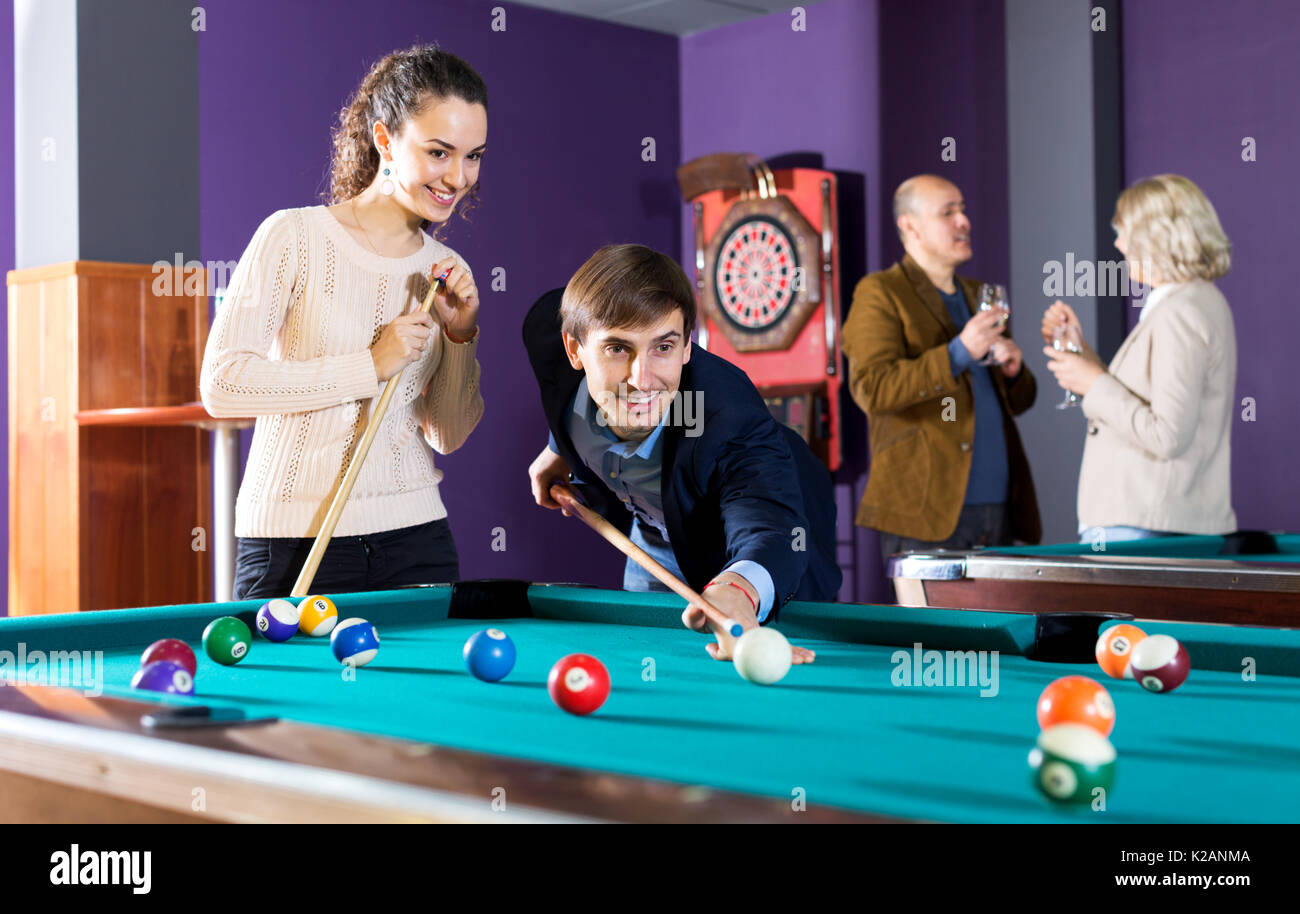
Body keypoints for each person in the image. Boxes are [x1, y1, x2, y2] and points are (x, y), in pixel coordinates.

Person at [200, 45, 487, 600]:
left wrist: (461, 335)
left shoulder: (447, 272)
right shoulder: (294, 236)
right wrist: (369, 365)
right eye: (438, 152)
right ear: (384, 141)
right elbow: (223, 385)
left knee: (421, 692)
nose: (458, 176)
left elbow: (447, 435)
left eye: (473, 155)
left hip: (415, 537)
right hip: (294, 538)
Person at [523, 244, 841, 662]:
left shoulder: (722, 420)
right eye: (618, 349)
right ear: (574, 351)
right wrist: (558, 447)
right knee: (650, 661)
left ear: (687, 346)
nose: (642, 379)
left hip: (766, 538)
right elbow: (568, 393)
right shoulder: (554, 342)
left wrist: (740, 589)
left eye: (663, 347)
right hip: (654, 535)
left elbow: (769, 529)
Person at [841, 175, 1040, 563]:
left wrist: (1014, 371)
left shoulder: (976, 293)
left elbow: (1018, 402)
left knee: (997, 625)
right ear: (910, 226)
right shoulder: (880, 291)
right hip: (925, 511)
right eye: (948, 212)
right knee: (932, 626)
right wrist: (958, 352)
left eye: (963, 210)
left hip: (999, 507)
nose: (964, 221)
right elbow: (872, 388)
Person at [1042, 174, 1236, 543]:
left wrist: (1093, 382)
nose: (1118, 243)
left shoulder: (1180, 311)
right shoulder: (1193, 302)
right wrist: (1084, 357)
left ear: (1156, 237)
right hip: (1157, 520)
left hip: (1145, 524)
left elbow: (1167, 435)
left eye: (1124, 232)